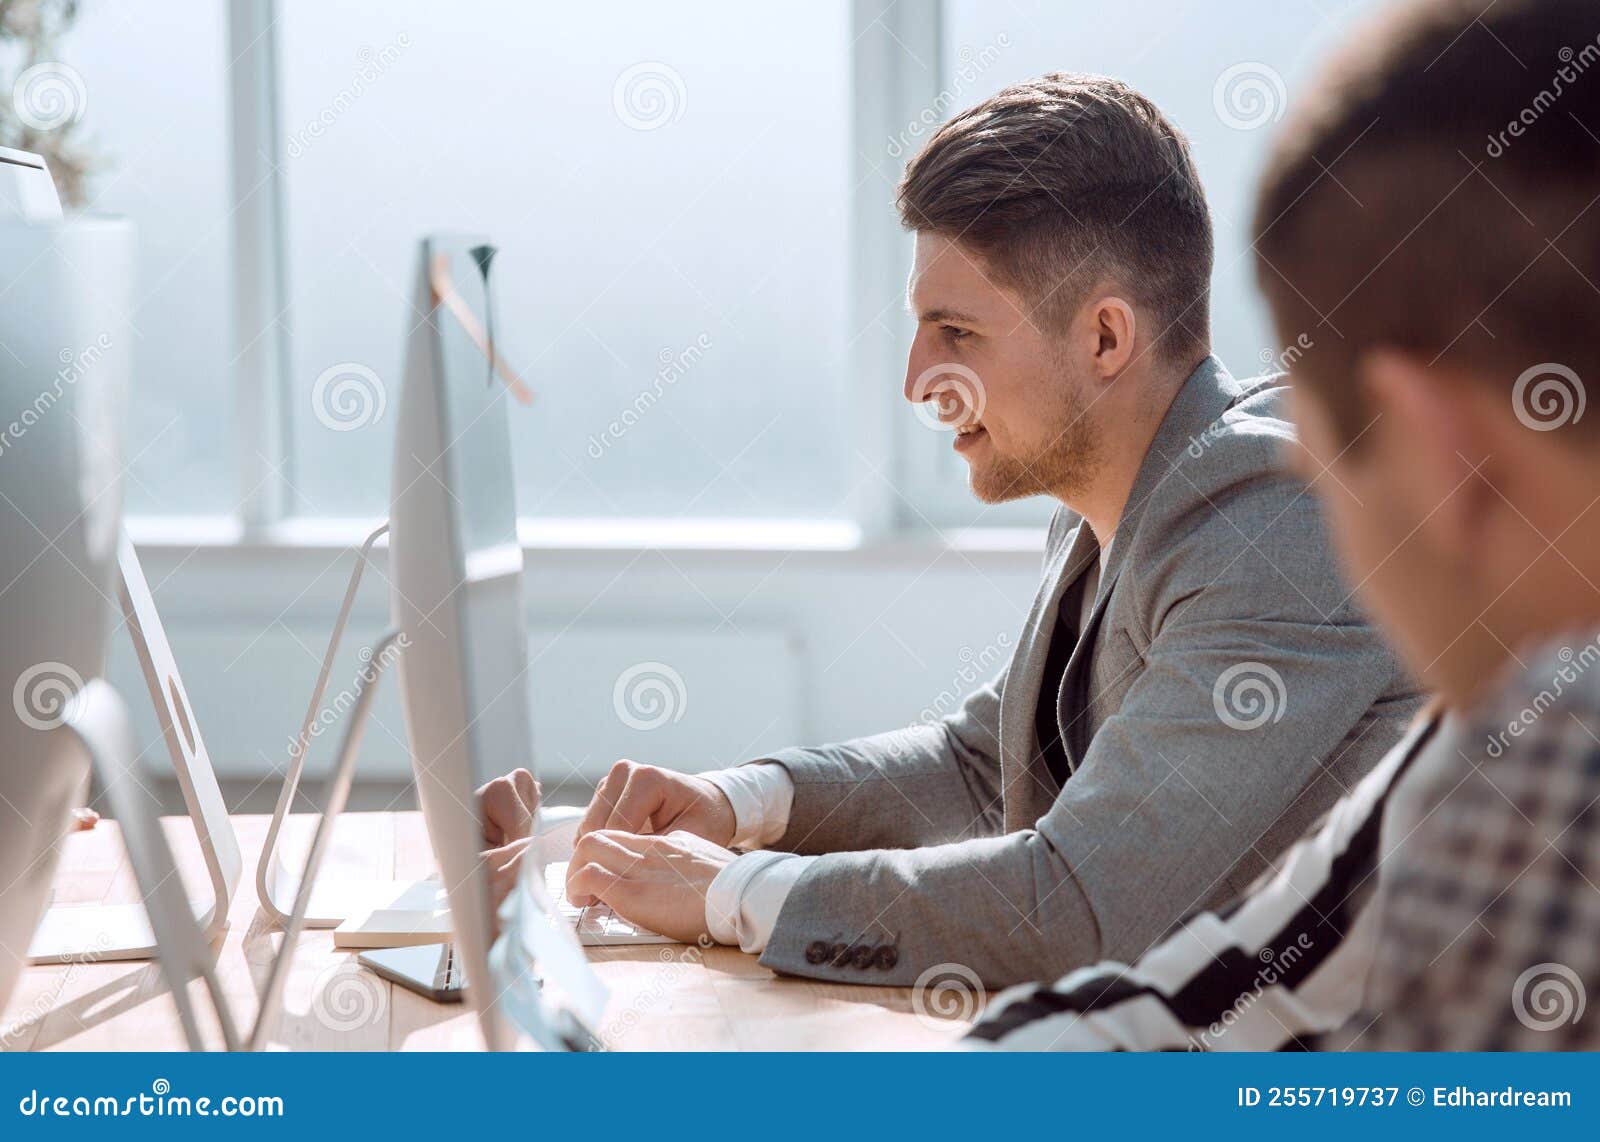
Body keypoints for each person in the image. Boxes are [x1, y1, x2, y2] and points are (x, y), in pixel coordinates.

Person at [480, 74, 1421, 988]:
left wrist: (731, 894)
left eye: (956, 333)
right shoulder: (1122, 494)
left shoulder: (1267, 514)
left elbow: (1076, 908)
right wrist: (738, 806)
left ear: (1104, 339)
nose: (915, 379)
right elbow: (982, 765)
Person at [969, 0, 1600, 1049]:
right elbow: (1244, 988)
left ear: (1444, 456)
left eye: (1324, 456)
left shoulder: (1554, 746)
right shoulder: (1485, 742)